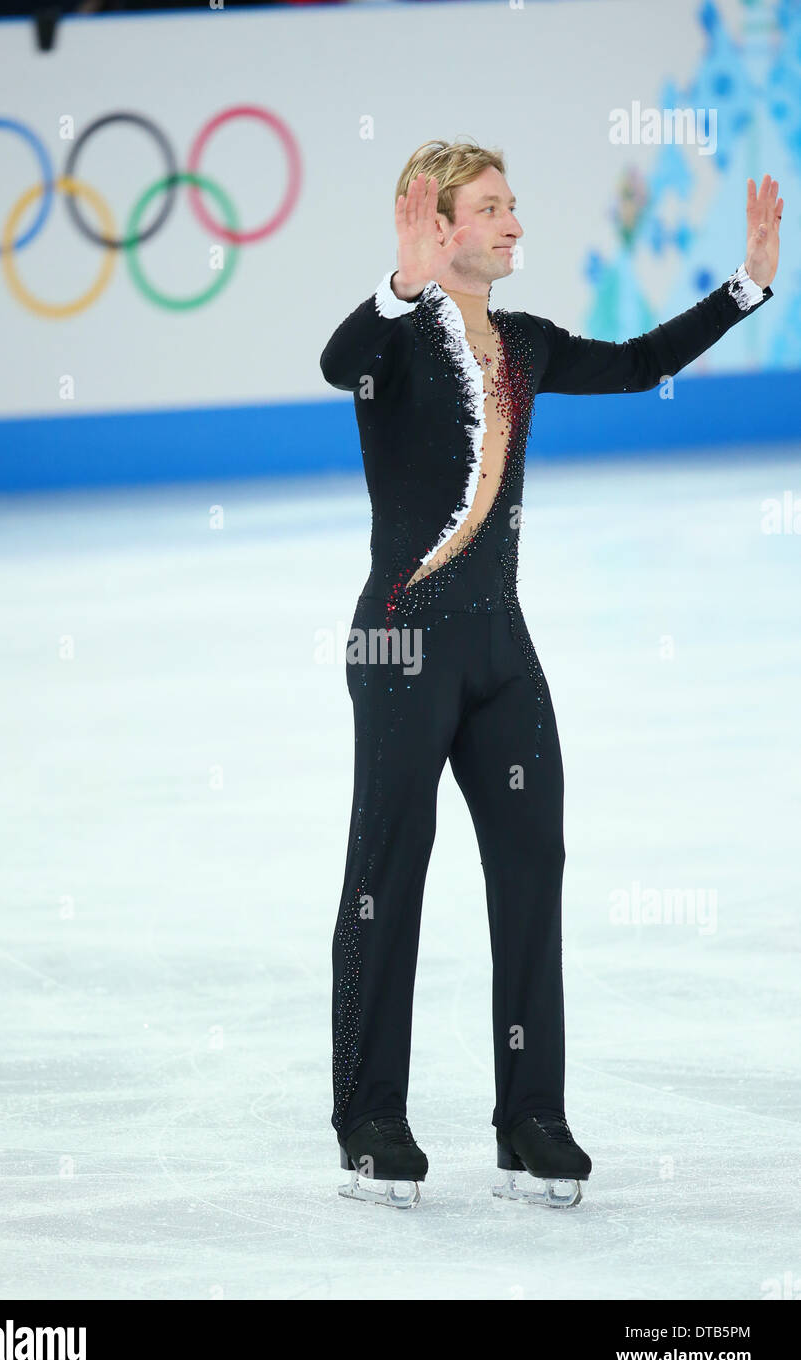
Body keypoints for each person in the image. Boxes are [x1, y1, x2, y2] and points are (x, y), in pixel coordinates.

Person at [320, 140, 780, 1209]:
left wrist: (745, 286)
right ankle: (368, 1117)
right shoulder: (392, 343)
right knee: (390, 872)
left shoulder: (522, 344)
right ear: (435, 226)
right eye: (491, 208)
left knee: (531, 862)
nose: (515, 224)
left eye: (512, 206)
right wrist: (399, 282)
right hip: (401, 643)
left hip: (497, 646)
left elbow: (634, 363)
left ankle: (530, 1116)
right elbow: (338, 361)